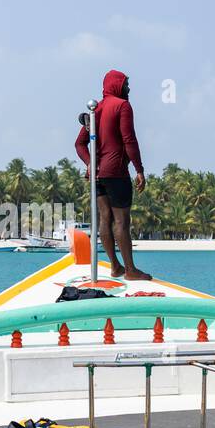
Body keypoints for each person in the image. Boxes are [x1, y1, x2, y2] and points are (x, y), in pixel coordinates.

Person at [75, 69, 150, 281]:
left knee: (105, 219)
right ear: (117, 85)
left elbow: (79, 144)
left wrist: (90, 163)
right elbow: (129, 139)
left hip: (97, 176)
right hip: (116, 172)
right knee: (121, 221)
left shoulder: (96, 109)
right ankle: (130, 270)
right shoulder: (122, 106)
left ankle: (116, 267)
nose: (129, 88)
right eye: (126, 84)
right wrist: (139, 169)